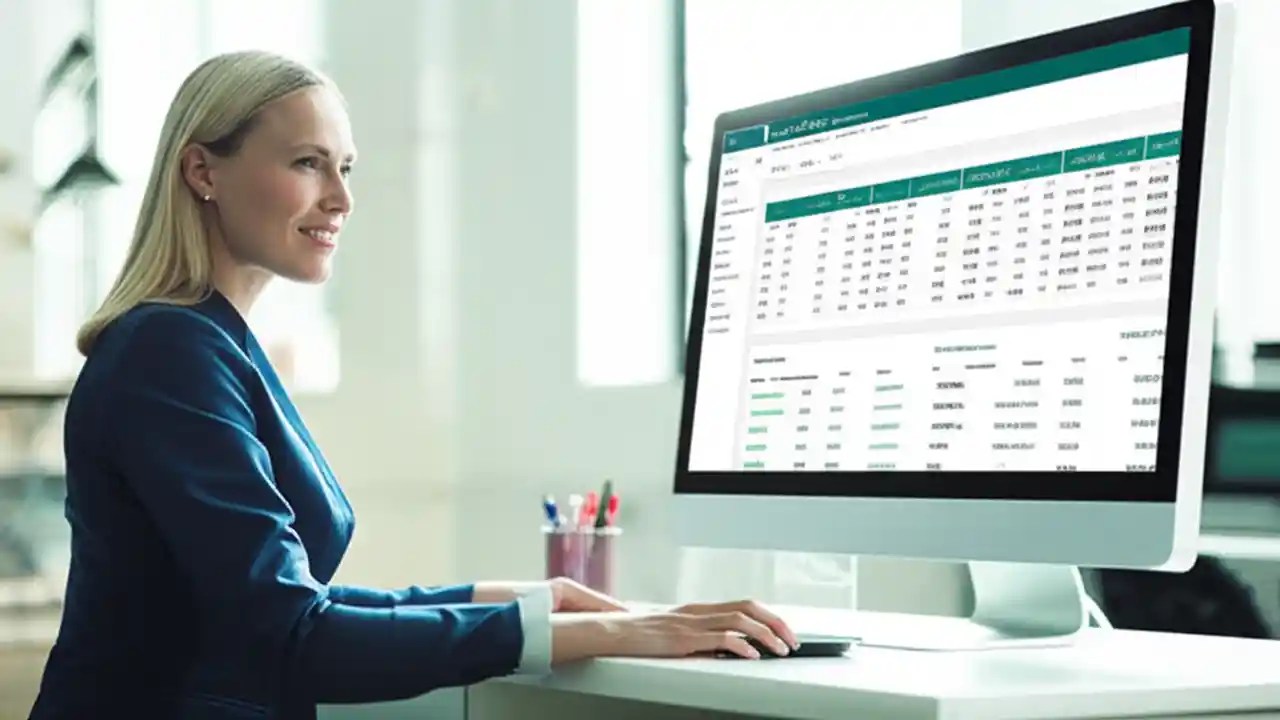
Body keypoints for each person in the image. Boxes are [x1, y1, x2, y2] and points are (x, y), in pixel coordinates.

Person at [27, 51, 797, 720]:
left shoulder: (204, 342)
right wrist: (601, 632)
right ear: (203, 171)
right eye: (307, 162)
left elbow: (285, 606)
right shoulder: (170, 352)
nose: (341, 197)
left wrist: (520, 601)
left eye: (346, 166)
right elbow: (293, 630)